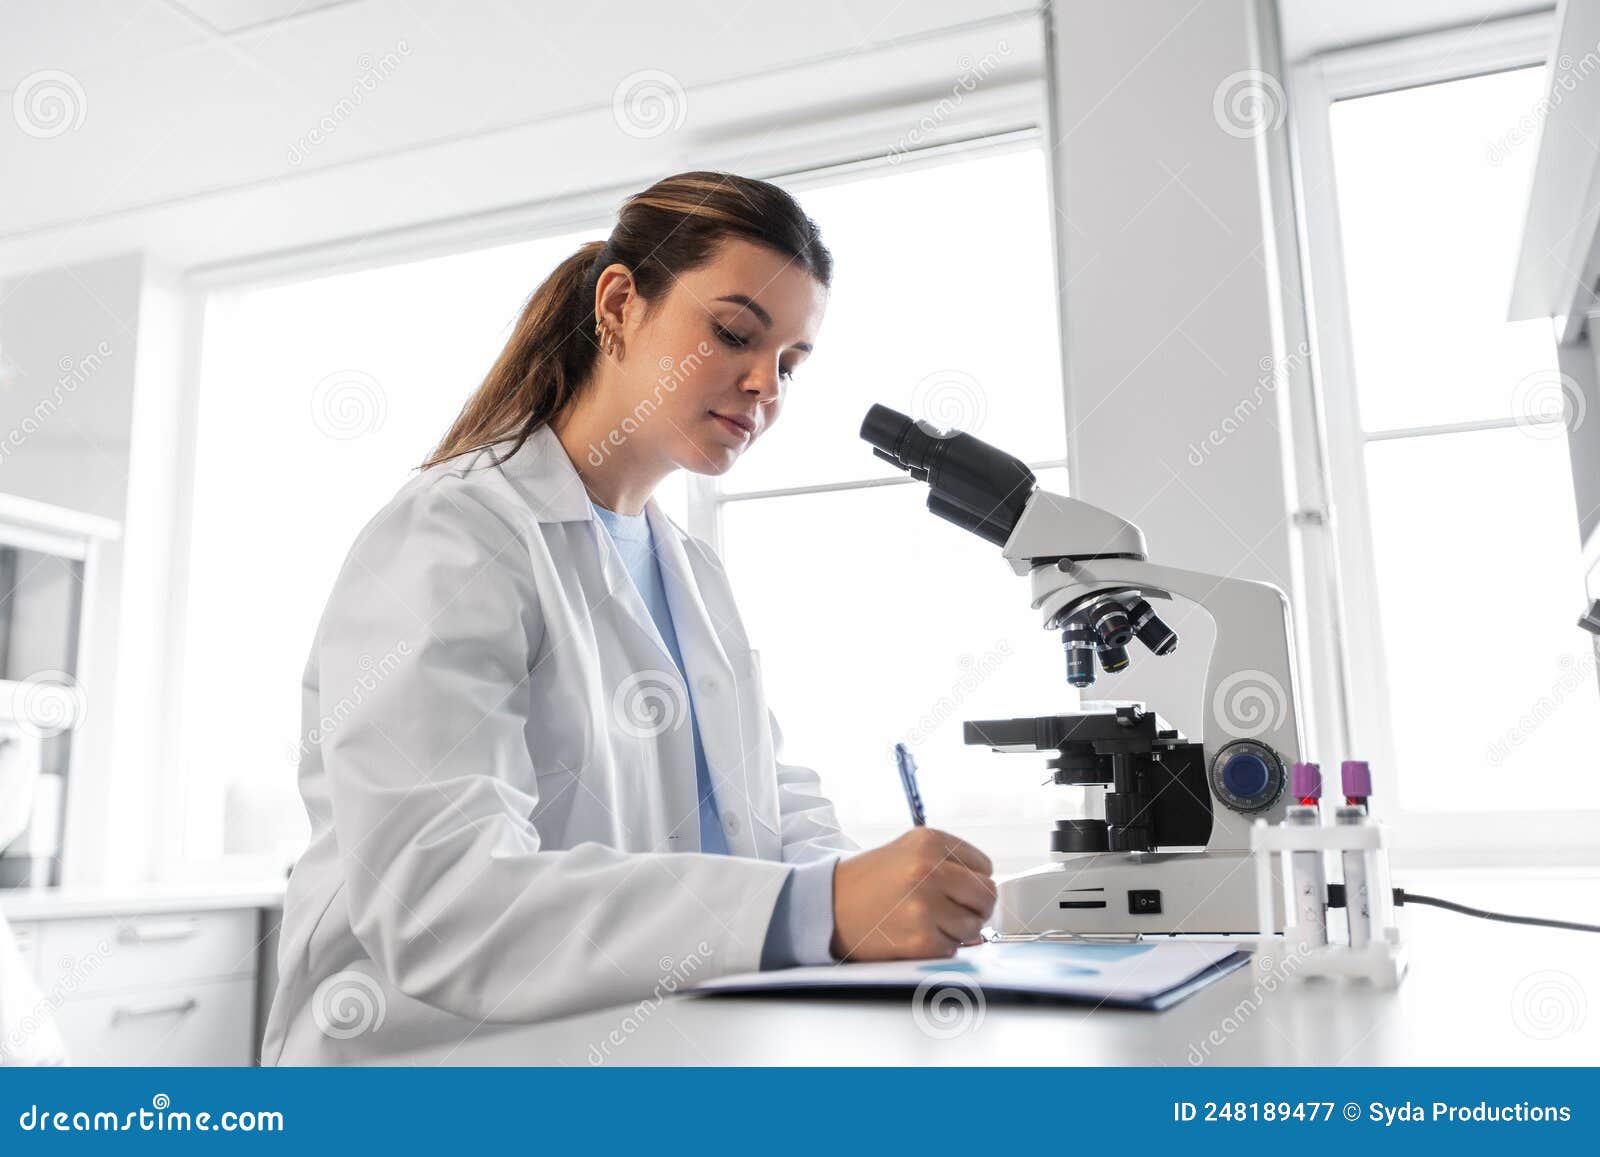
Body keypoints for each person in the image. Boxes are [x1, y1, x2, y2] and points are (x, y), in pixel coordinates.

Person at [261, 172, 996, 1065]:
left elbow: (760, 799)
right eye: (733, 333)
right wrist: (821, 907)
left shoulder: (689, 569)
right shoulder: (452, 534)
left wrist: (867, 893)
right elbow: (440, 900)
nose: (764, 383)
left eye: (791, 365)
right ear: (620, 303)